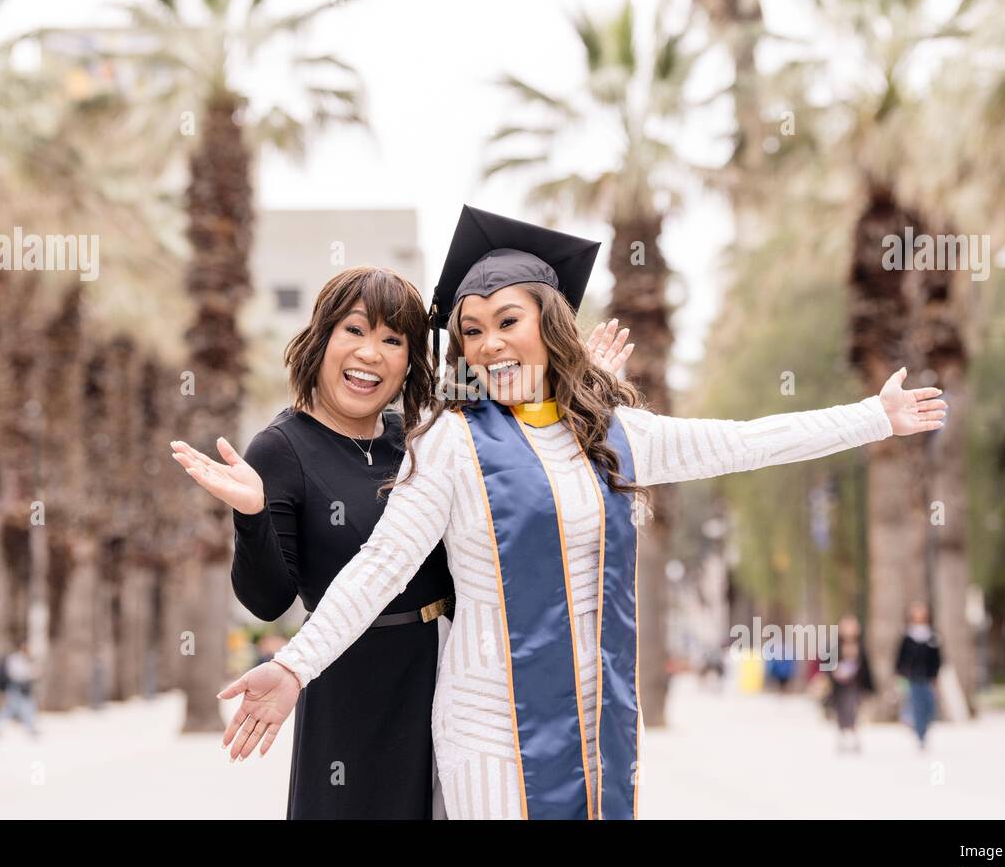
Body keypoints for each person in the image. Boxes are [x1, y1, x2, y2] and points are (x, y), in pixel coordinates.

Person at [217, 205, 947, 819]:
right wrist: (294, 666)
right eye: (471, 331)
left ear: (550, 324)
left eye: (508, 320)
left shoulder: (612, 438)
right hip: (485, 727)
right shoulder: (448, 442)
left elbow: (742, 442)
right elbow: (380, 567)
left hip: (592, 714)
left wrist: (871, 418)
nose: (490, 343)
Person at [171, 264, 633, 819]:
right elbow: (269, 600)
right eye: (355, 331)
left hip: (447, 672)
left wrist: (589, 388)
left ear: (410, 362)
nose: (372, 353)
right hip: (352, 679)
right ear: (321, 339)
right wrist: (251, 514)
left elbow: (523, 445)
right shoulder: (281, 448)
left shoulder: (420, 437)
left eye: (393, 340)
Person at [895, 600, 942, 750]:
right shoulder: (907, 636)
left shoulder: (932, 635)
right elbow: (900, 658)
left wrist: (935, 675)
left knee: (929, 707)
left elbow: (937, 658)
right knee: (916, 706)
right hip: (912, 678)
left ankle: (922, 730)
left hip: (928, 677)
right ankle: (919, 734)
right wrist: (901, 675)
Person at [826, 613, 874, 753]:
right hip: (839, 686)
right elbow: (827, 664)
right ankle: (842, 733)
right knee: (841, 709)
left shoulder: (860, 646)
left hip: (855, 685)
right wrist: (835, 672)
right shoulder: (834, 646)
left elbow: (866, 667)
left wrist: (868, 686)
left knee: (853, 708)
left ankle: (853, 733)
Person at [0, 642, 40, 737]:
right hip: (15, 688)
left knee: (28, 707)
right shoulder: (15, 659)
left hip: (24, 689)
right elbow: (16, 674)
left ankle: (31, 728)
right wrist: (30, 673)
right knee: (10, 709)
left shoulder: (27, 660)